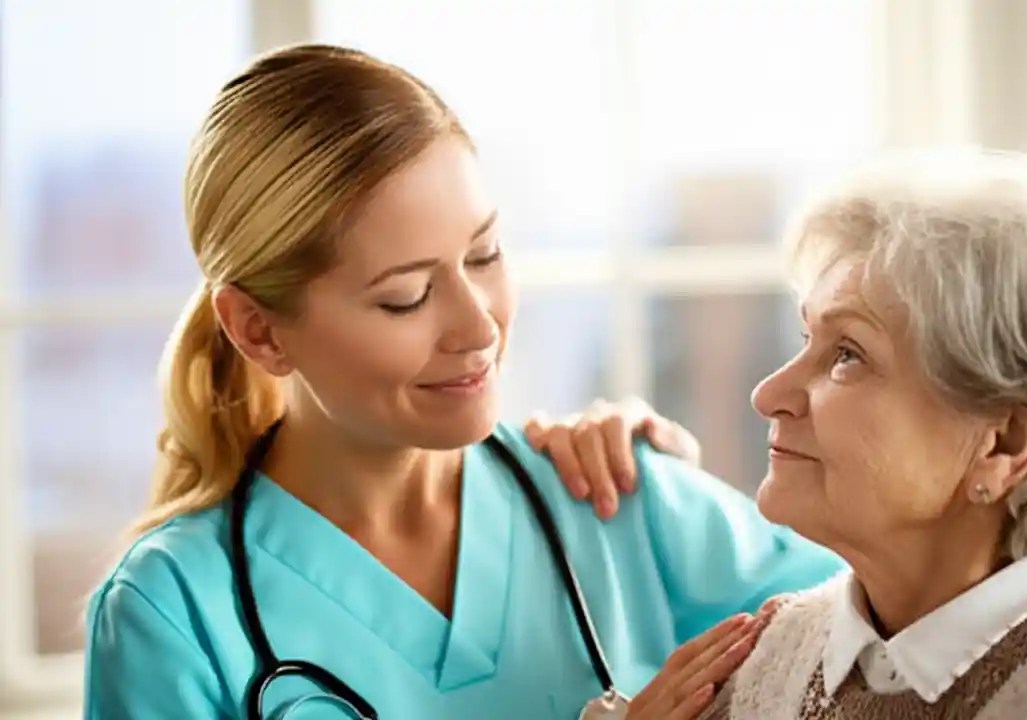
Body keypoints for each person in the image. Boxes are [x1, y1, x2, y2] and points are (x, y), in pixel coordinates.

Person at [81, 44, 842, 720]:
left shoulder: (618, 499)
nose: (479, 328)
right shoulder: (171, 613)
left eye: (484, 256)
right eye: (405, 297)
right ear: (258, 330)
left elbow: (912, 633)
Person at [538, 148, 1027, 718]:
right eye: (806, 341)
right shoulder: (762, 662)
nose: (770, 393)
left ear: (1007, 444)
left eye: (847, 356)